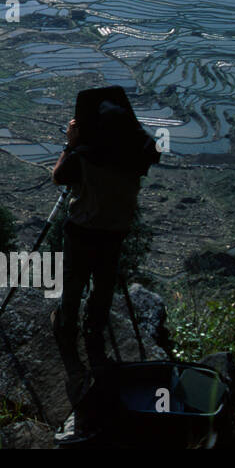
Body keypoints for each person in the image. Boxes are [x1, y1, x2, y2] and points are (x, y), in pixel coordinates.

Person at [51, 97, 159, 366]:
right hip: (115, 231)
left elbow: (58, 177)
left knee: (73, 281)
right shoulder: (136, 154)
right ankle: (94, 328)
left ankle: (67, 326)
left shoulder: (85, 156)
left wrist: (70, 144)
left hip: (82, 230)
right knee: (104, 284)